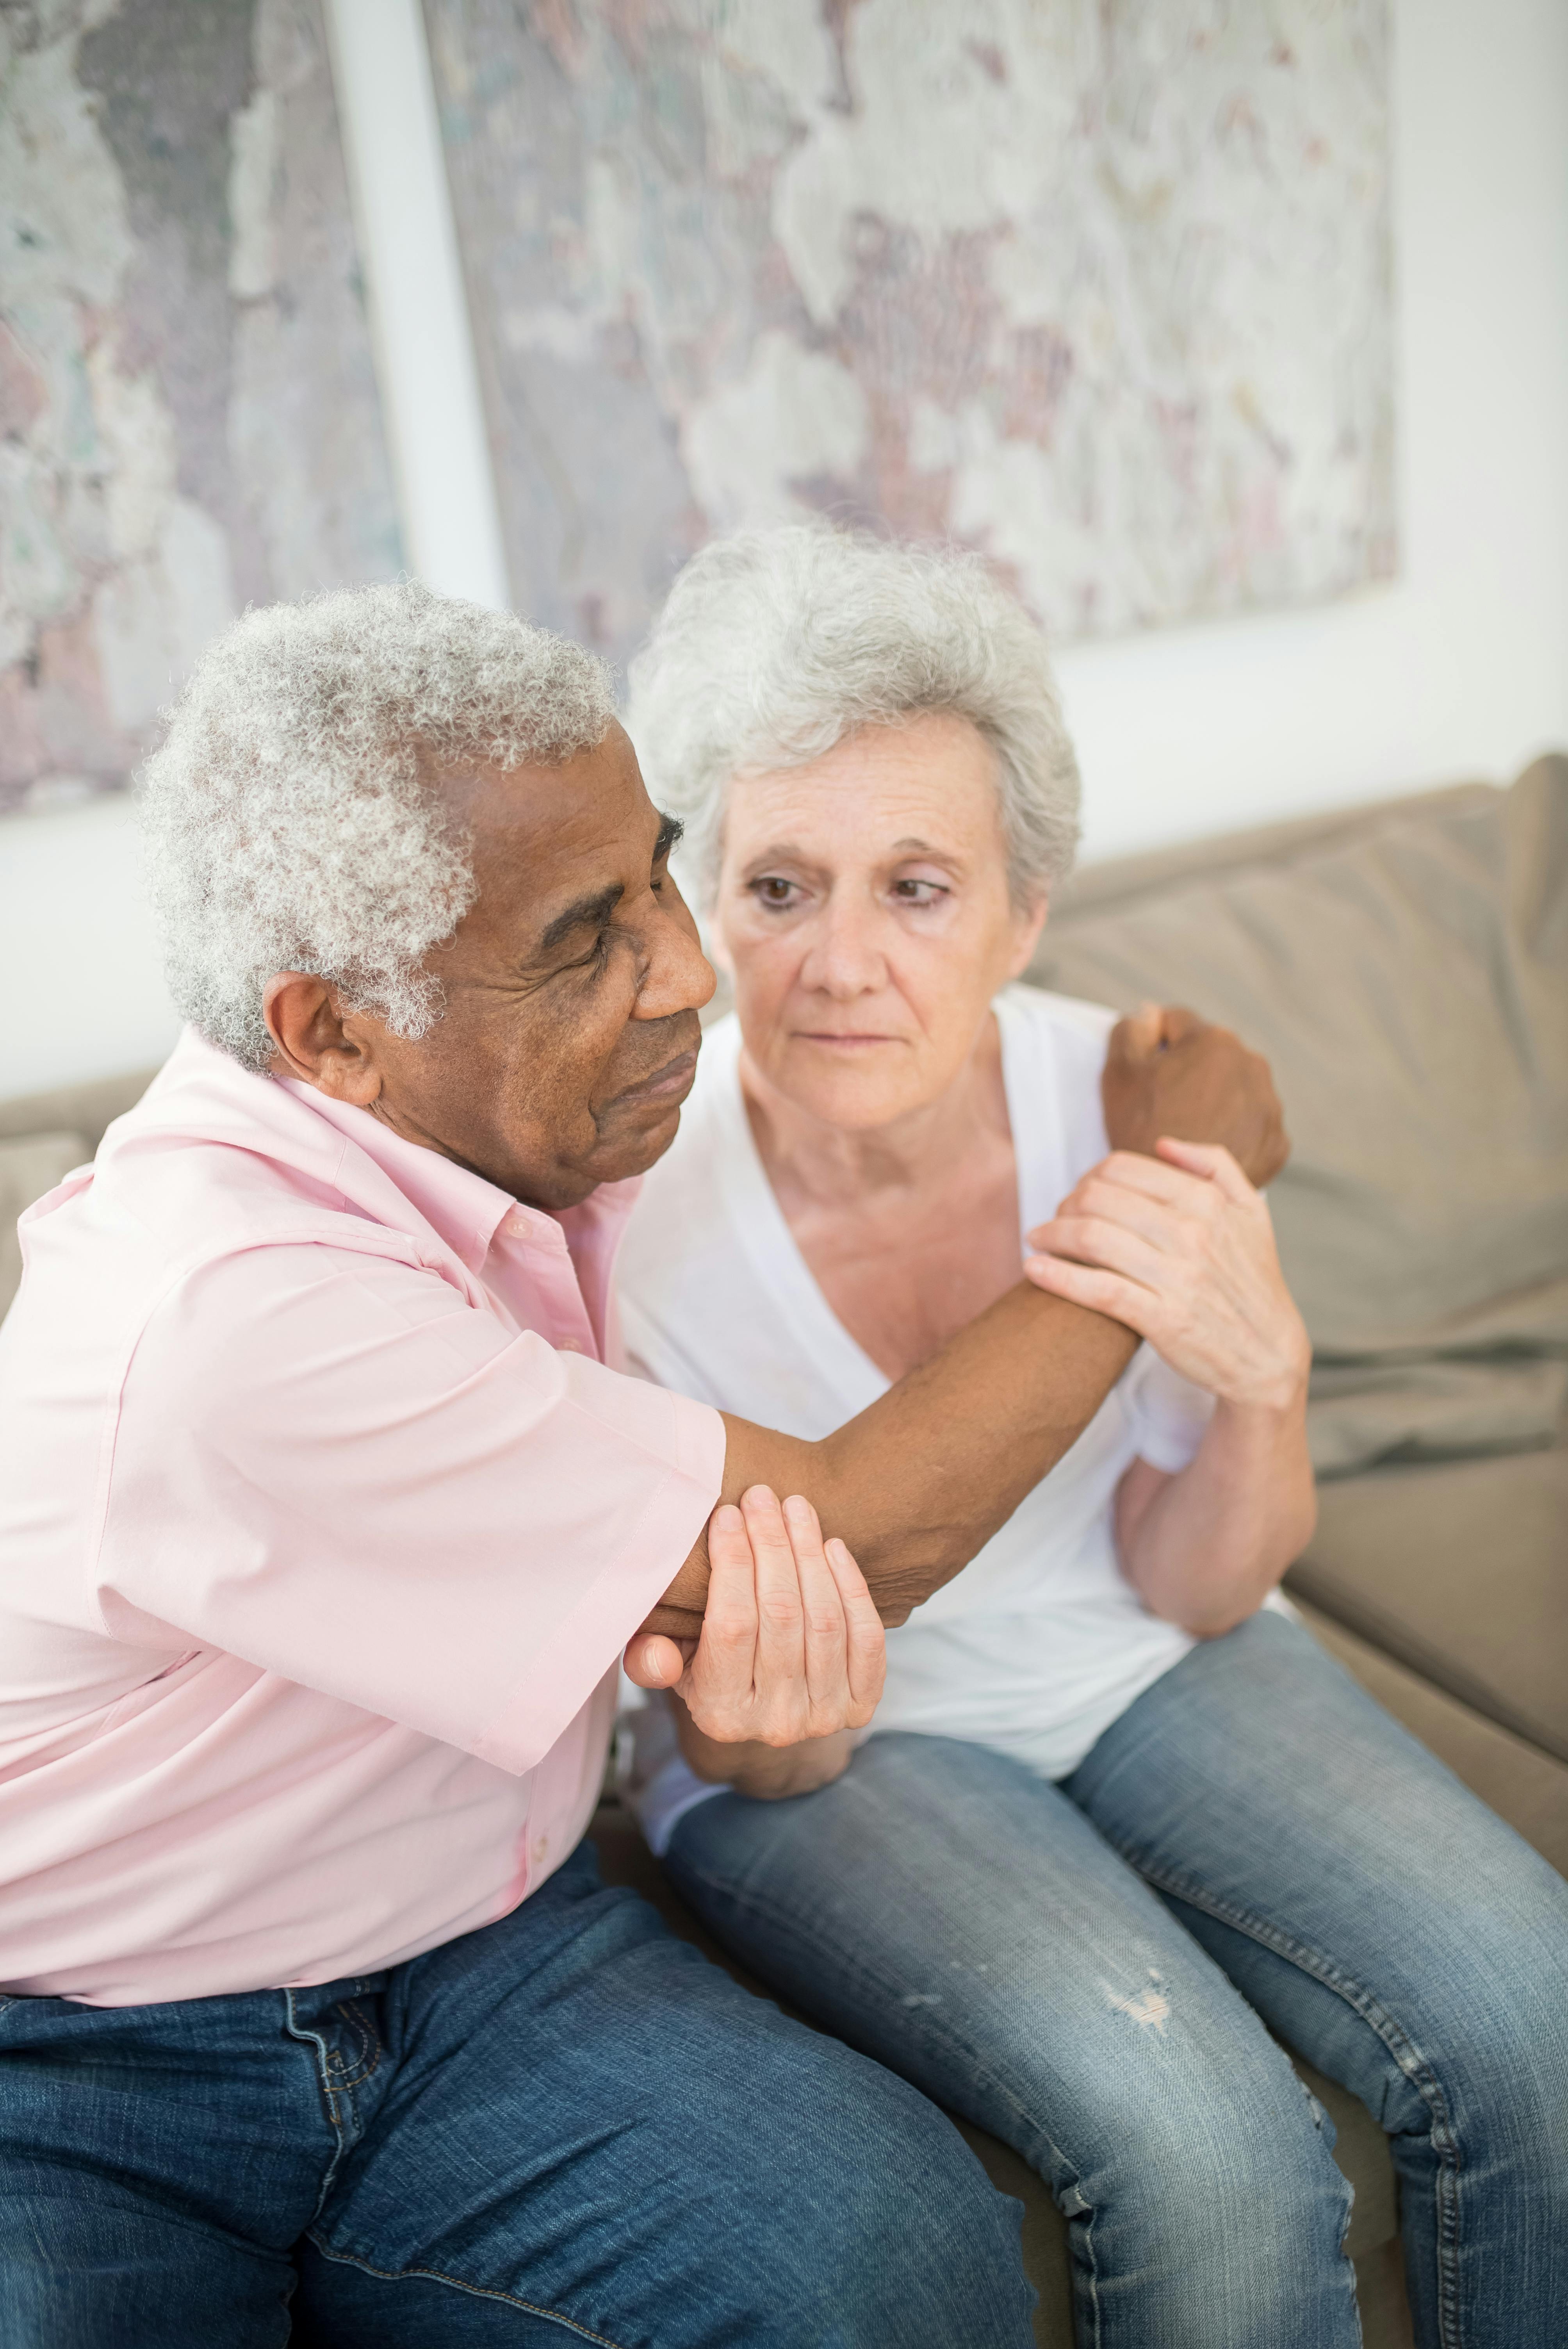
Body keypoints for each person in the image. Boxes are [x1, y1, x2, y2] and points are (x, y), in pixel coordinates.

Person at [0, 580, 1285, 2348]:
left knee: (891, 2243)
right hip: (92, 2044)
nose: (687, 974)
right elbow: (855, 1531)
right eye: (583, 938)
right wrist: (1173, 1181)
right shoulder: (242, 1318)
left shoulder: (503, 1119)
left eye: (660, 876)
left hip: (480, 1945)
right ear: (332, 1035)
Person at [615, 525, 1568, 2349]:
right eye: (777, 887)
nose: (838, 965)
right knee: (1203, 2146)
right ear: (699, 905)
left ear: (1020, 910)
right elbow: (738, 1746)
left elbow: (1190, 1579)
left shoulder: (1120, 1106)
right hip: (852, 1749)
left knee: (1529, 1998)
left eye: (914, 886)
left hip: (1148, 1646)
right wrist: (769, 1730)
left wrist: (1263, 1382)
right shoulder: (630, 1219)